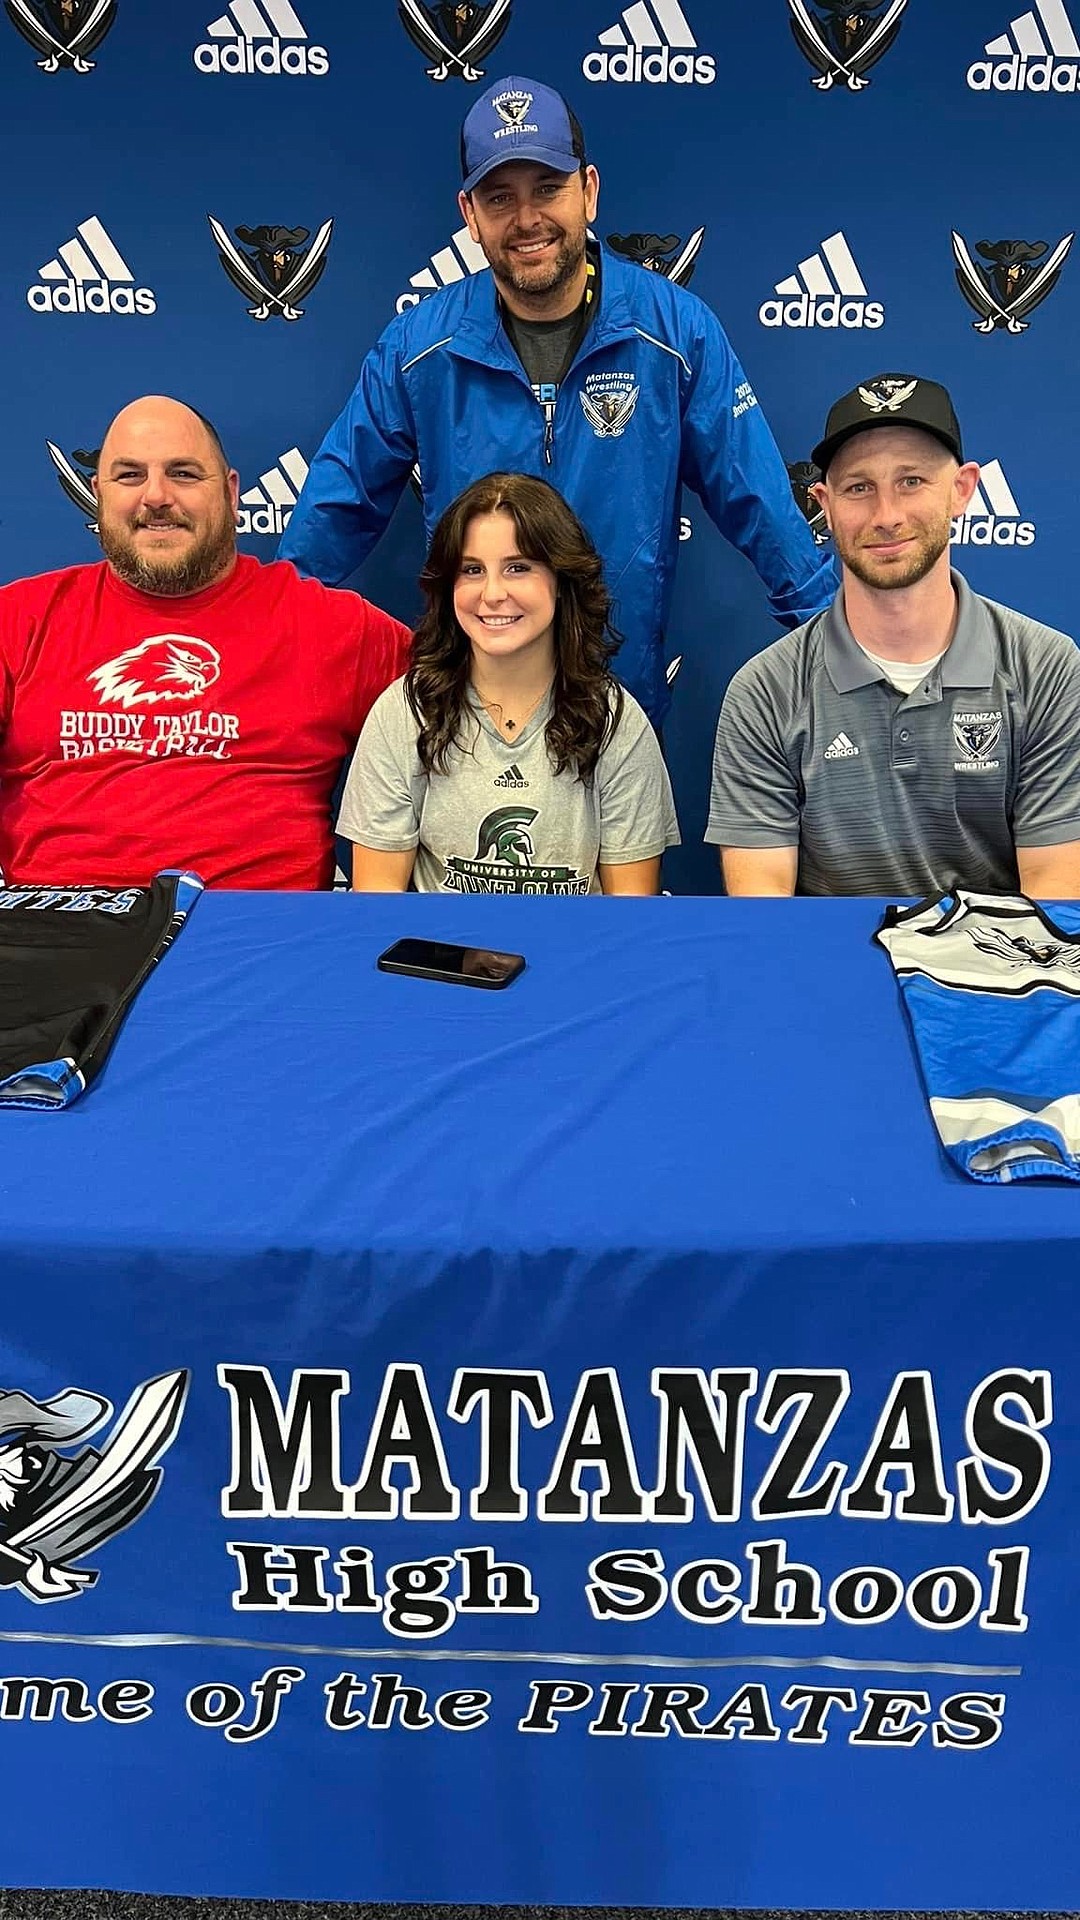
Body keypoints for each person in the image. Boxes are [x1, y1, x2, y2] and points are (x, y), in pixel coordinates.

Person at [277, 74, 836, 729]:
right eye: (499, 197)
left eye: (548, 188)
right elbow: (333, 515)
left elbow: (762, 504)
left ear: (589, 191)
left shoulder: (675, 334)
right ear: (470, 215)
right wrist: (271, 638)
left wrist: (839, 643)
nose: (527, 219)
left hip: (616, 708)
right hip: (469, 712)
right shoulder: (418, 350)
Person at [0, 396, 410, 889]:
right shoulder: (19, 620)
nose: (155, 496)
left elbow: (479, 701)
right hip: (62, 937)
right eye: (129, 476)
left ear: (232, 493)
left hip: (261, 941)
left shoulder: (334, 627)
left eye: (184, 474)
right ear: (99, 494)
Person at [706, 374, 1080, 898]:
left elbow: (1055, 900)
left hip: (993, 972)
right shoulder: (764, 690)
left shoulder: (1048, 668)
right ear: (825, 505)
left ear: (961, 490)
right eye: (859, 488)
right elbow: (766, 913)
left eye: (912, 481)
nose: (886, 516)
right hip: (829, 974)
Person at [339, 472, 678, 896]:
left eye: (518, 568)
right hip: (441, 960)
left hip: (576, 958)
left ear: (560, 581)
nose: (493, 593)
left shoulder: (616, 721)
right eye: (472, 570)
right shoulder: (405, 712)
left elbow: (629, 914)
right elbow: (378, 907)